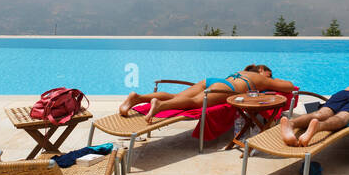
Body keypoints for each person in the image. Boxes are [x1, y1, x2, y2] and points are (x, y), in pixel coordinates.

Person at [118, 65, 295, 121]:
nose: (270, 78)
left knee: (178, 96)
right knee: (195, 103)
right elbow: (289, 86)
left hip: (213, 80)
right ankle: (161, 106)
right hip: (227, 89)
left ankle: (138, 98)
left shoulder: (241, 72)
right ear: (262, 69)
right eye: (269, 74)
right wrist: (270, 82)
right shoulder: (260, 77)